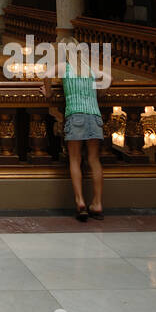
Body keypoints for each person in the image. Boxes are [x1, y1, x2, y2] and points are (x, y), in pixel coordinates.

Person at [42, 58, 104, 222]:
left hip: (75, 116)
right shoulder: (91, 68)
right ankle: (97, 203)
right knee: (94, 160)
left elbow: (47, 74)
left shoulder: (65, 67)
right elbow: (108, 79)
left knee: (75, 160)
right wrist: (98, 93)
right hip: (94, 115)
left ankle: (80, 201)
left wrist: (48, 93)